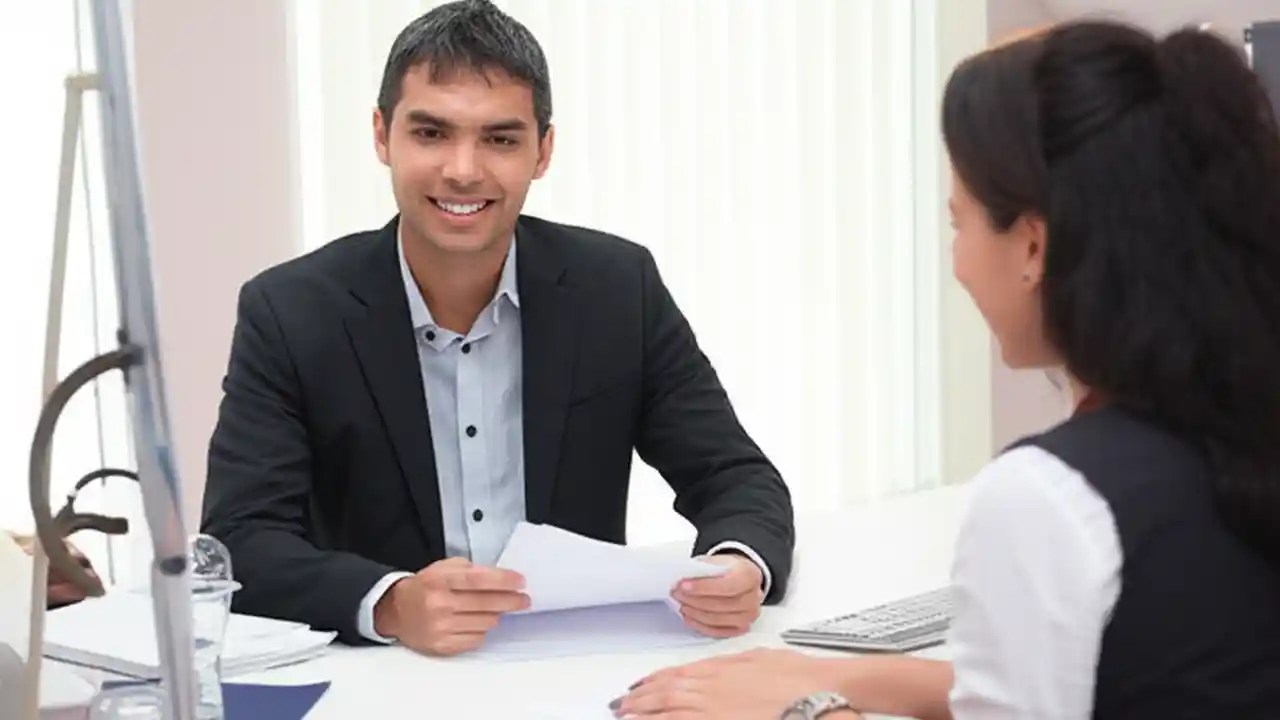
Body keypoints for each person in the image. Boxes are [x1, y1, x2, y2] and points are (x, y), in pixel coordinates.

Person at [614, 20, 1280, 720]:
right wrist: (836, 675)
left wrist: (804, 711)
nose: (957, 260)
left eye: (960, 222)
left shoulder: (1050, 498)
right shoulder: (1236, 436)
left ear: (1031, 246)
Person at [200, 0, 793, 657]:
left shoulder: (616, 288)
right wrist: (392, 601)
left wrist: (739, 565)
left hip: (570, 673)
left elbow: (736, 477)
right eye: (430, 133)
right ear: (381, 136)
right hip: (389, 682)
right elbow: (241, 538)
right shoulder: (289, 311)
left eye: (500, 139)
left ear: (543, 150)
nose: (462, 169)